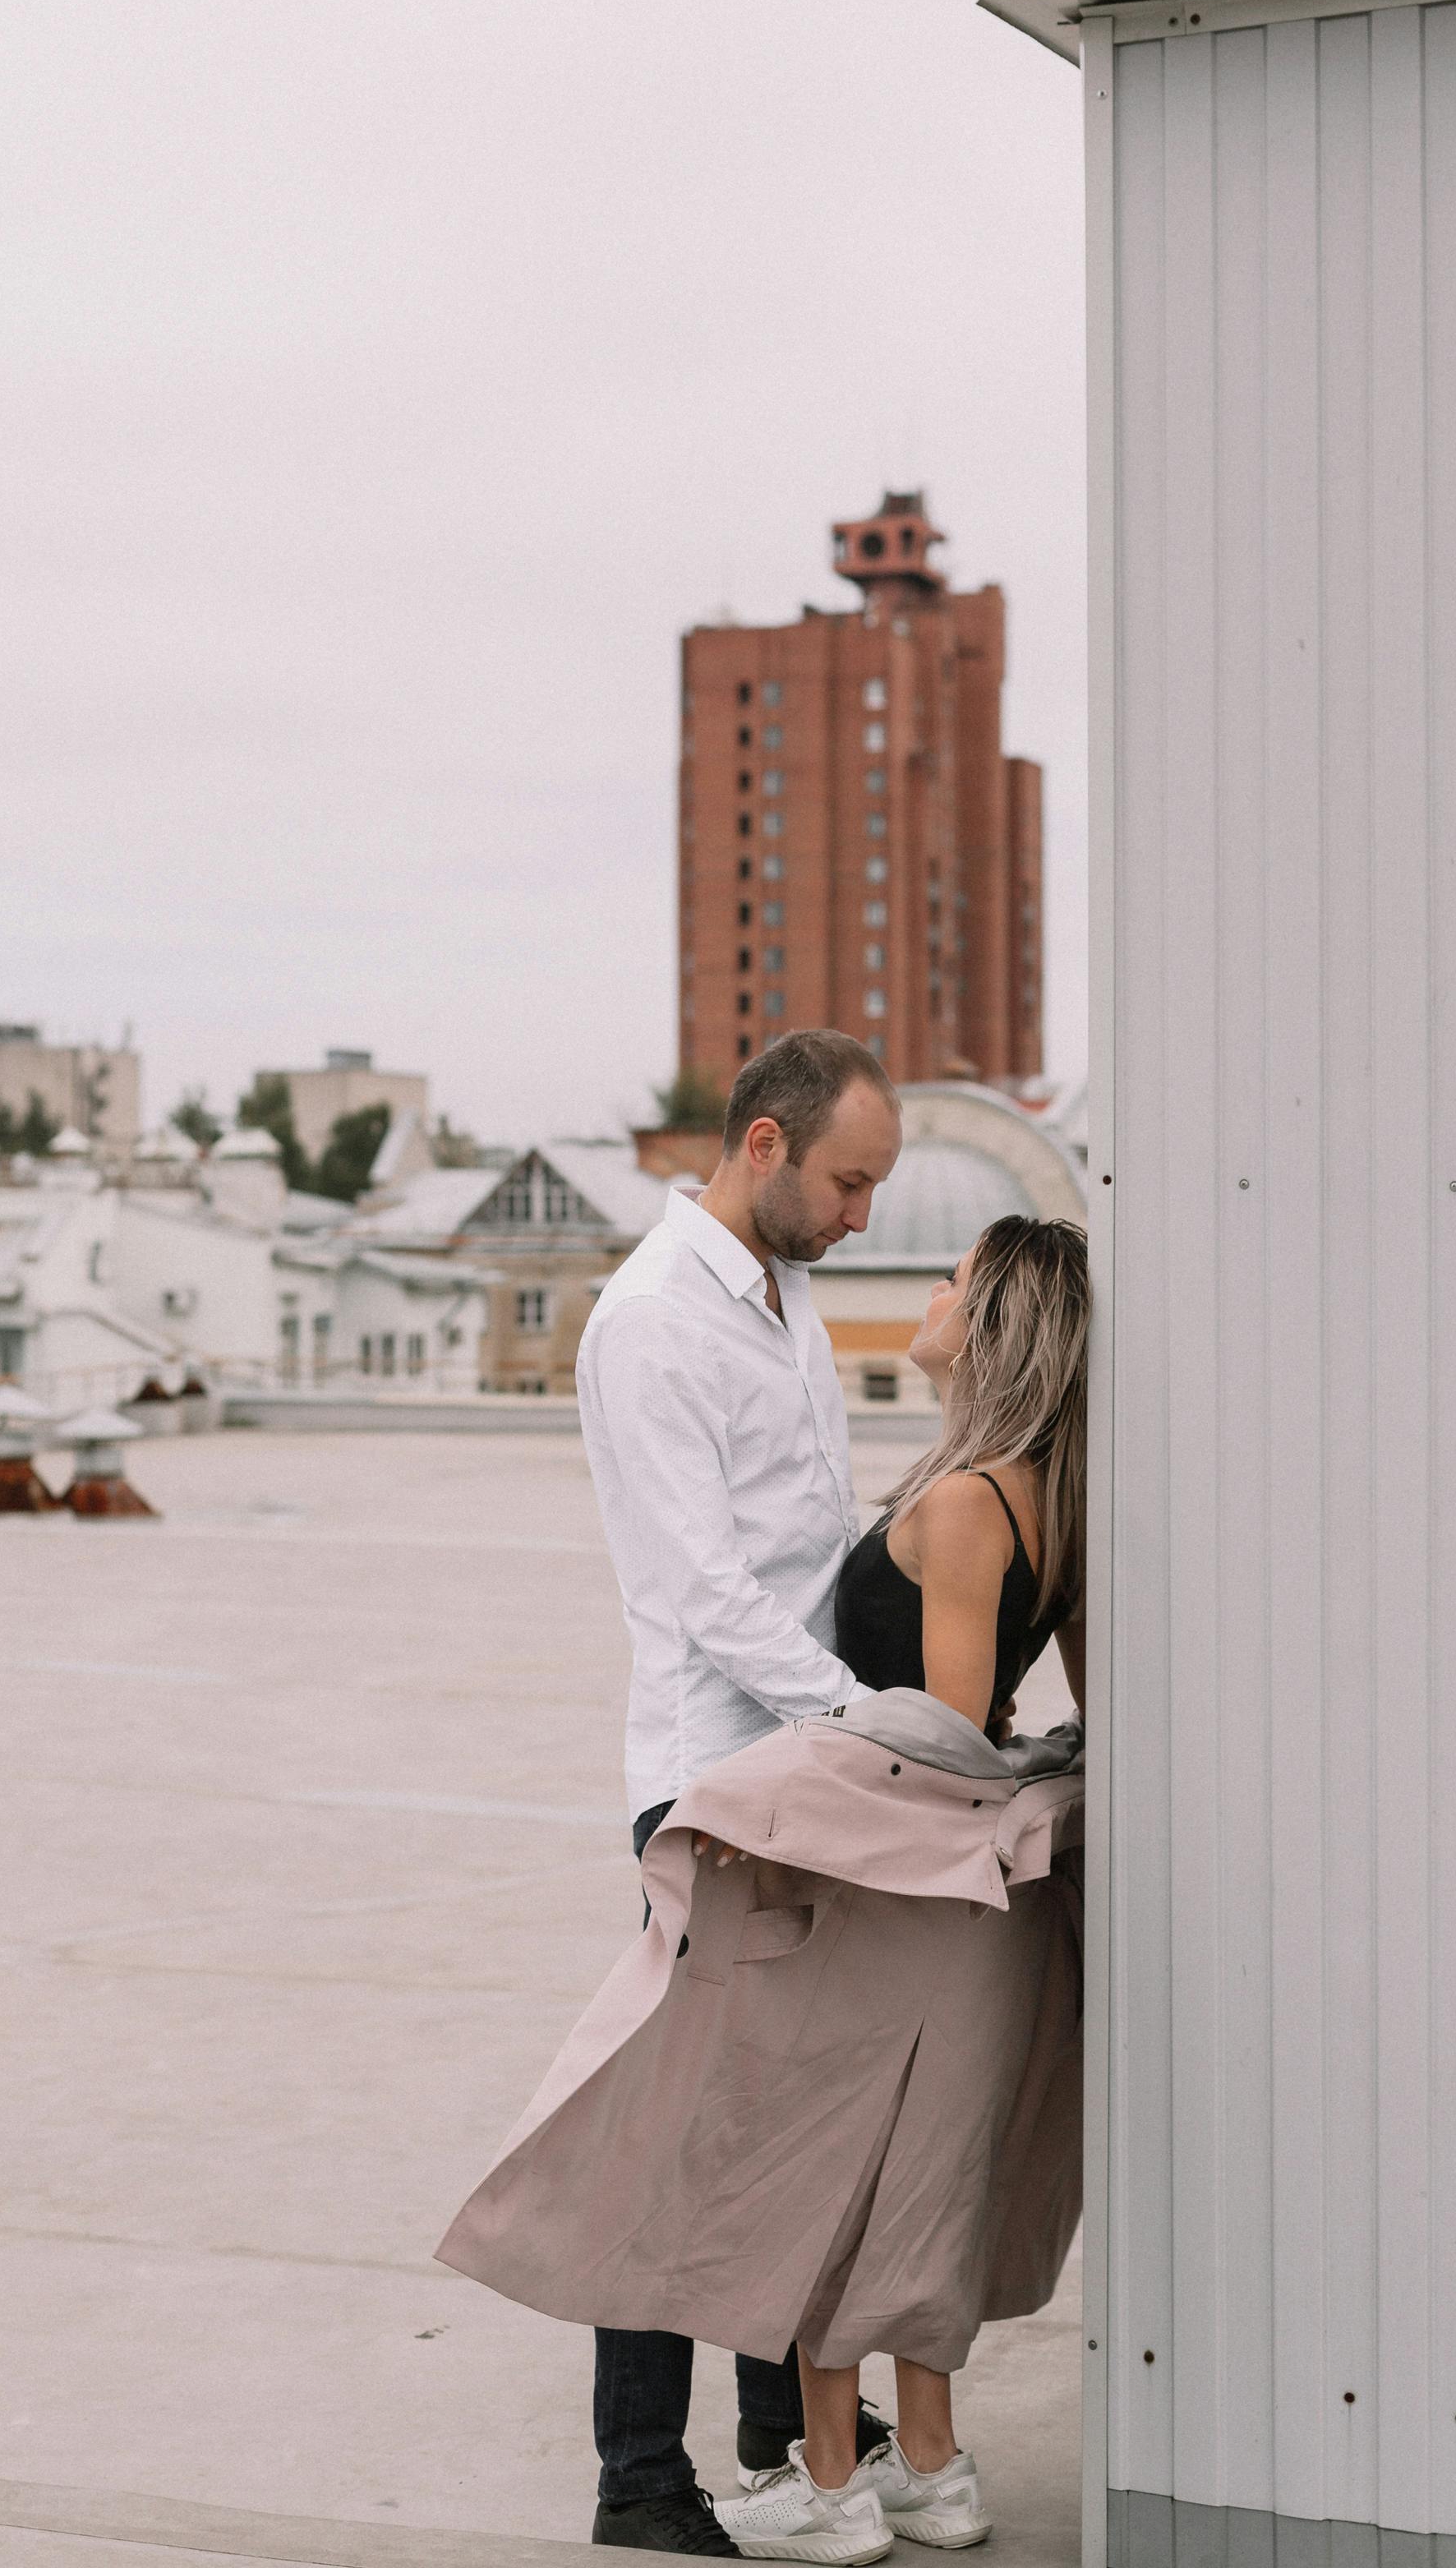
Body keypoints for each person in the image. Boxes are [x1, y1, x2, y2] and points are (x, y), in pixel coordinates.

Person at [711, 1210, 1087, 2561]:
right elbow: (1079, 1719)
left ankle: (827, 2488)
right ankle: (928, 2465)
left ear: (989, 1329)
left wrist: (771, 1804)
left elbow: (937, 1734)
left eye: (948, 1282)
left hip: (894, 1886)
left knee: (831, 2172)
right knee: (920, 2185)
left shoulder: (961, 1504)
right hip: (964, 1902)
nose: (925, 1296)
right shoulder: (1052, 1497)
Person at [574, 1029, 904, 2556]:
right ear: (762, 1144)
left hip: (800, 1766)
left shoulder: (789, 1291)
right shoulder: (650, 1322)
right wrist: (867, 1723)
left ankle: (784, 2426)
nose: (859, 1216)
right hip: (713, 1782)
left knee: (790, 2121)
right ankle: (641, 2479)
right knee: (682, 2138)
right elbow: (708, 1588)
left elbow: (811, 1537)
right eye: (846, 1181)